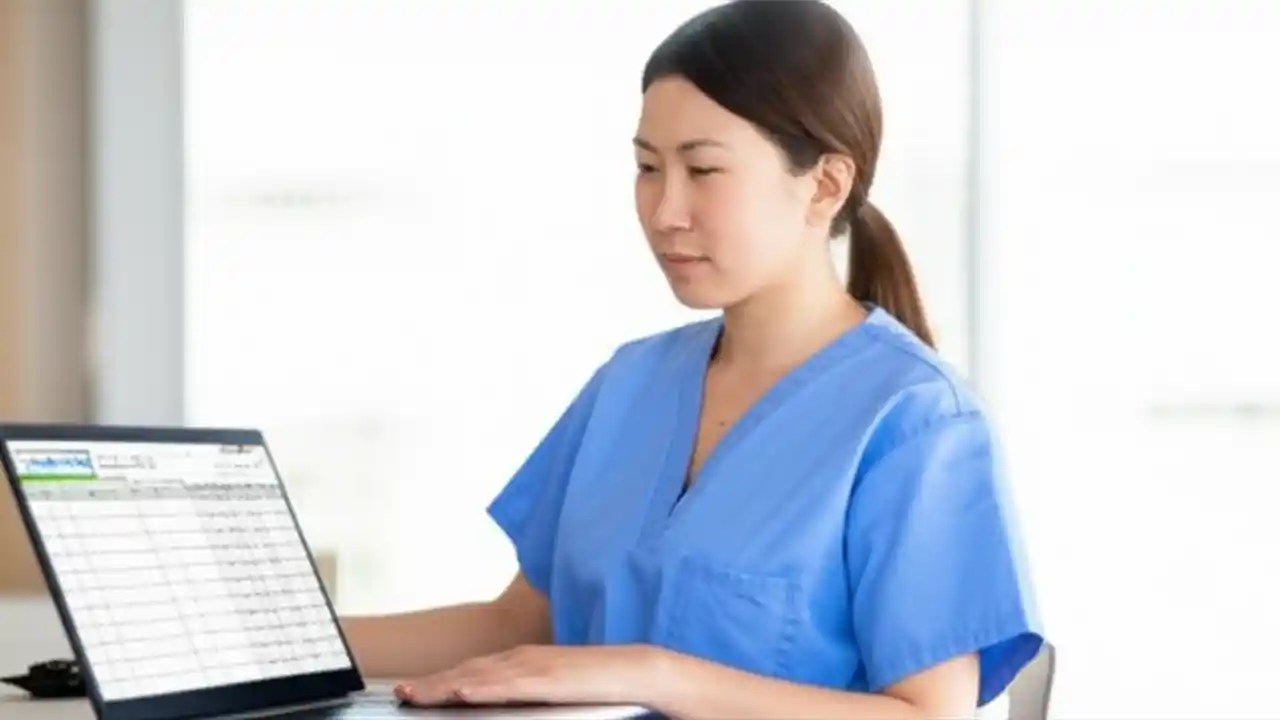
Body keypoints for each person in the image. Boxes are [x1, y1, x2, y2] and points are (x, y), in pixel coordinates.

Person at [341, 1, 1043, 717]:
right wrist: (286, 644)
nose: (664, 210)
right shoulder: (630, 385)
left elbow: (929, 713)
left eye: (703, 169)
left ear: (825, 184)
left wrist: (652, 675)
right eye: (648, 167)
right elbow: (519, 627)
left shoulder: (917, 420)